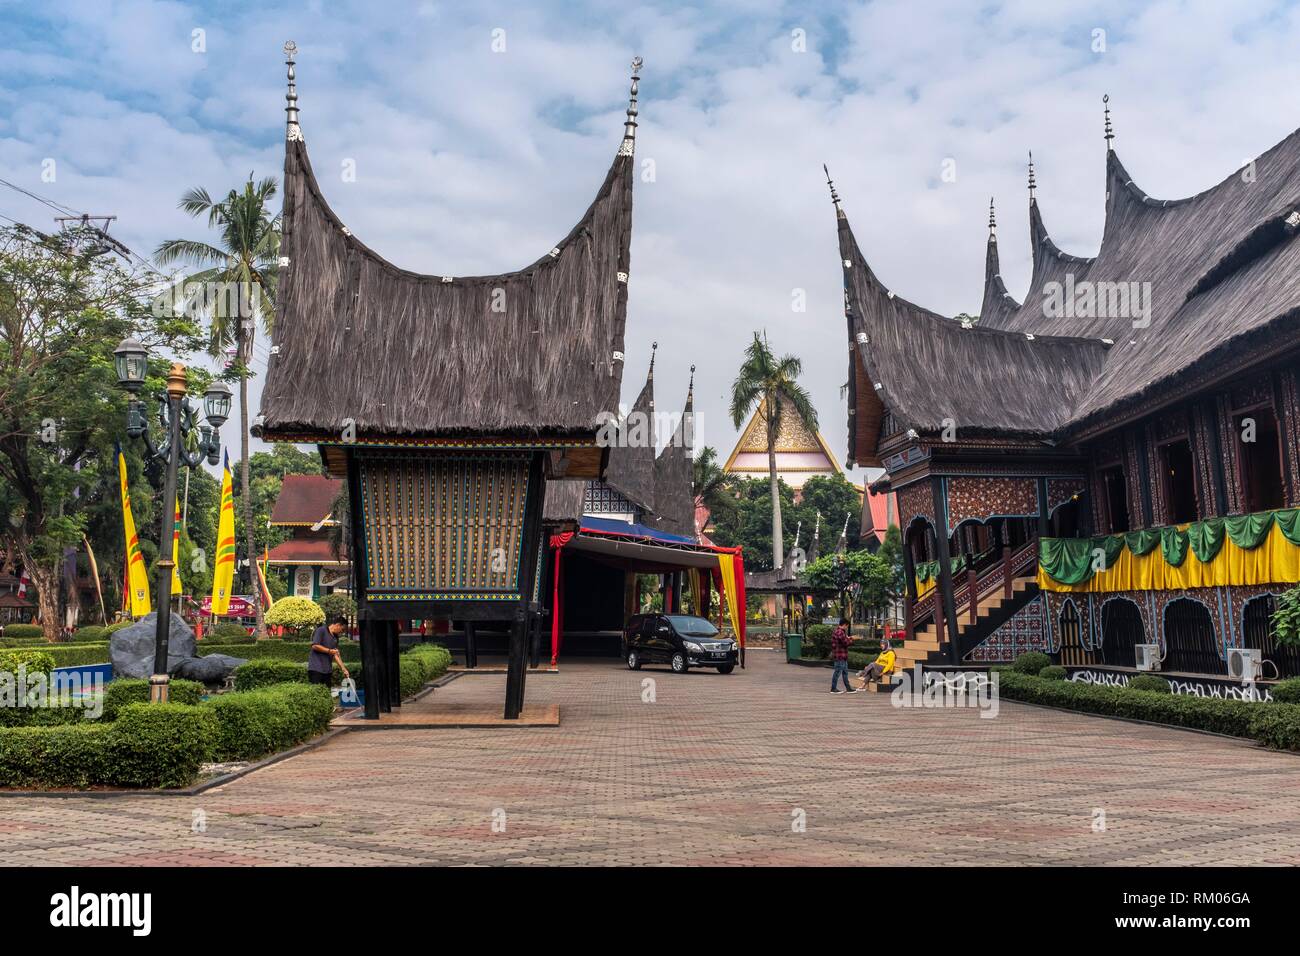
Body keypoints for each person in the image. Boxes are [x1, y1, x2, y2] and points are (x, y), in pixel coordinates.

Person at [308, 615, 350, 686]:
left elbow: (335, 654)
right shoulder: (321, 630)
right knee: (316, 694)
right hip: (316, 670)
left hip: (327, 671)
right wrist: (329, 651)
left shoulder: (336, 638)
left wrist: (344, 669)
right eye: (342, 630)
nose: (342, 632)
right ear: (338, 625)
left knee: (326, 694)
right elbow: (315, 646)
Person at [830, 617, 857, 694]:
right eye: (847, 626)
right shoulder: (840, 632)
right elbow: (846, 643)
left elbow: (843, 640)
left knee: (845, 672)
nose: (847, 627)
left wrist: (849, 638)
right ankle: (833, 688)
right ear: (844, 625)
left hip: (842, 655)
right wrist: (852, 640)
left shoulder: (838, 631)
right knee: (837, 672)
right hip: (840, 655)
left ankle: (848, 688)